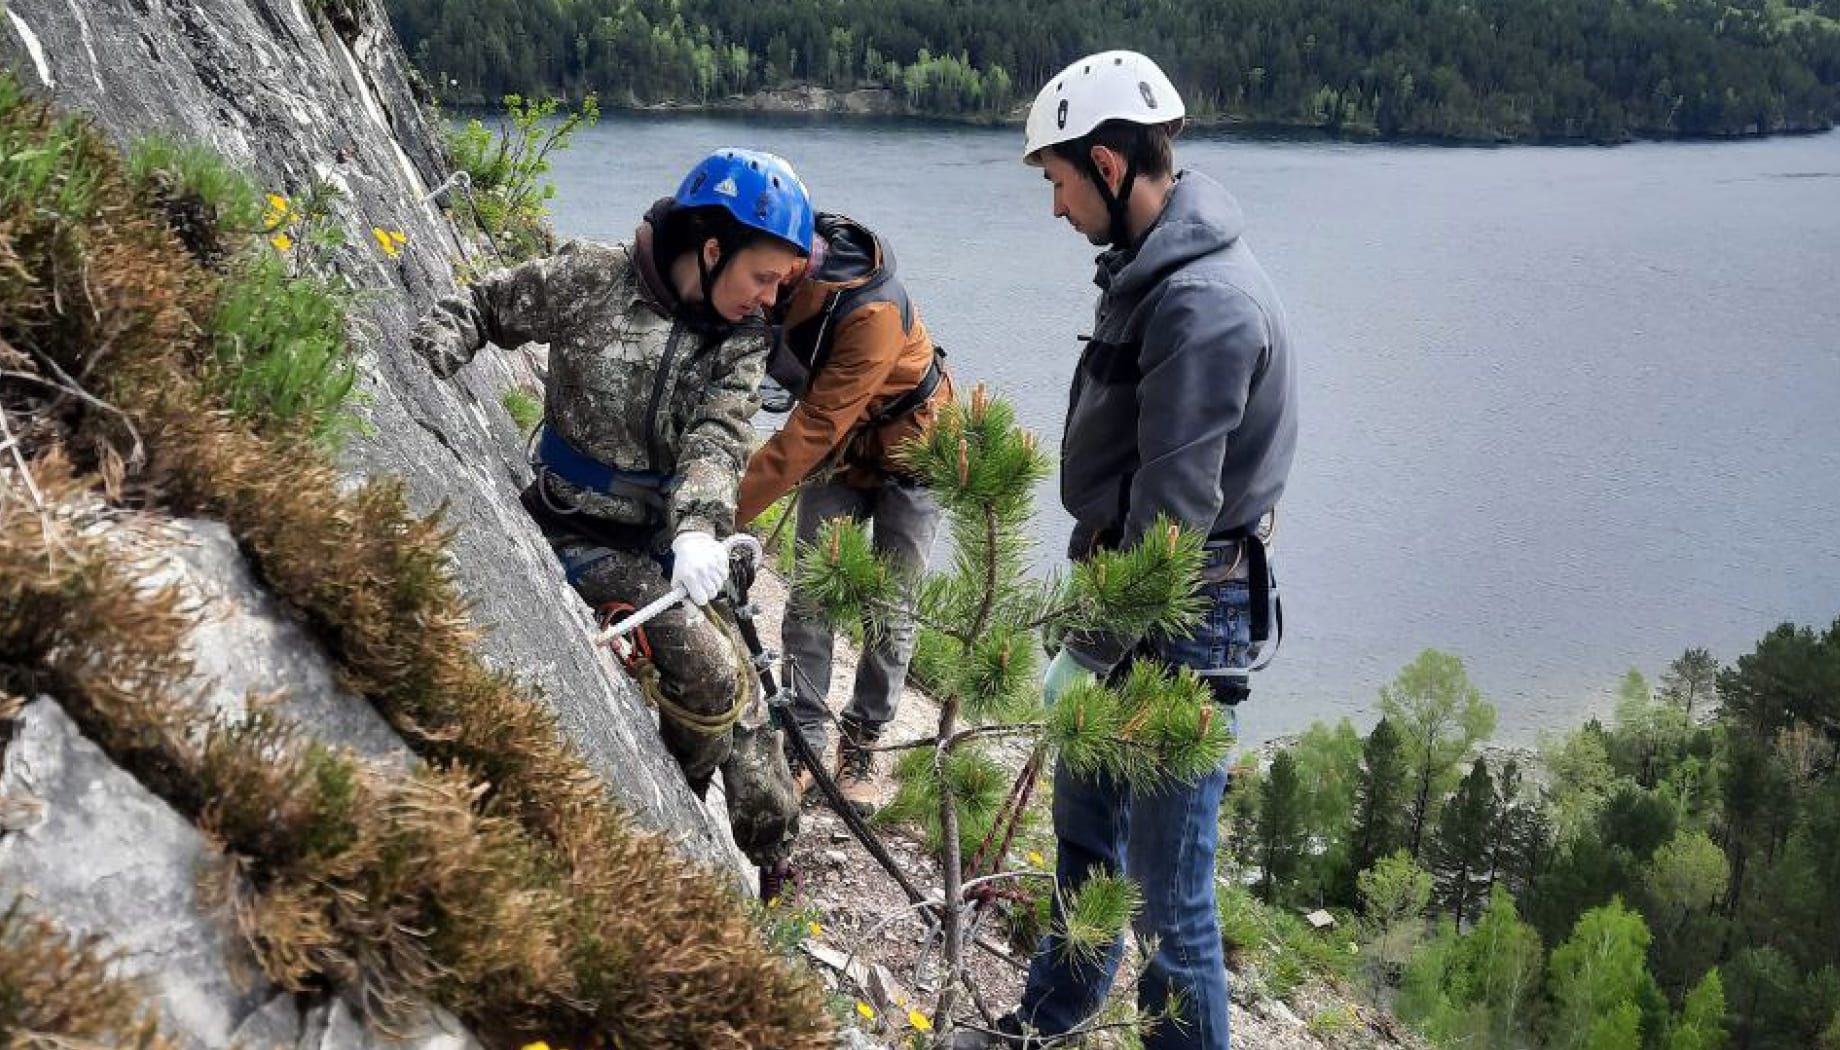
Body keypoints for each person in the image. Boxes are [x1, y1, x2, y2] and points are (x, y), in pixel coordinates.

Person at [953, 51, 1297, 1050]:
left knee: (1166, 897)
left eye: (1058, 182)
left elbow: (1174, 521)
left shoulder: (1202, 306)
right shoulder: (1156, 270)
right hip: (1127, 592)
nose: (1054, 209)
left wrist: (1088, 656)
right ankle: (1051, 1021)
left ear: (1108, 165)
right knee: (1085, 847)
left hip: (1180, 611)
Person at [409, 148, 814, 897]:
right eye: (761, 277)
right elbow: (486, 306)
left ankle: (771, 859)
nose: (767, 298)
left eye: (779, 285)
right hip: (579, 530)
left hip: (668, 543)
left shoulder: (740, 343)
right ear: (712, 247)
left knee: (754, 712)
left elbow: (719, 439)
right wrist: (431, 359)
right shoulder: (594, 278)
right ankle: (677, 802)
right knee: (711, 678)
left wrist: (695, 528)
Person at [734, 212, 953, 815]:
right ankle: (804, 741)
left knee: (890, 609)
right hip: (843, 449)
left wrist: (720, 516)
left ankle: (860, 745)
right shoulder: (777, 270)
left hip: (913, 450)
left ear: (805, 258)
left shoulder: (871, 312)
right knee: (811, 596)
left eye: (778, 277)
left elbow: (808, 432)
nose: (767, 289)